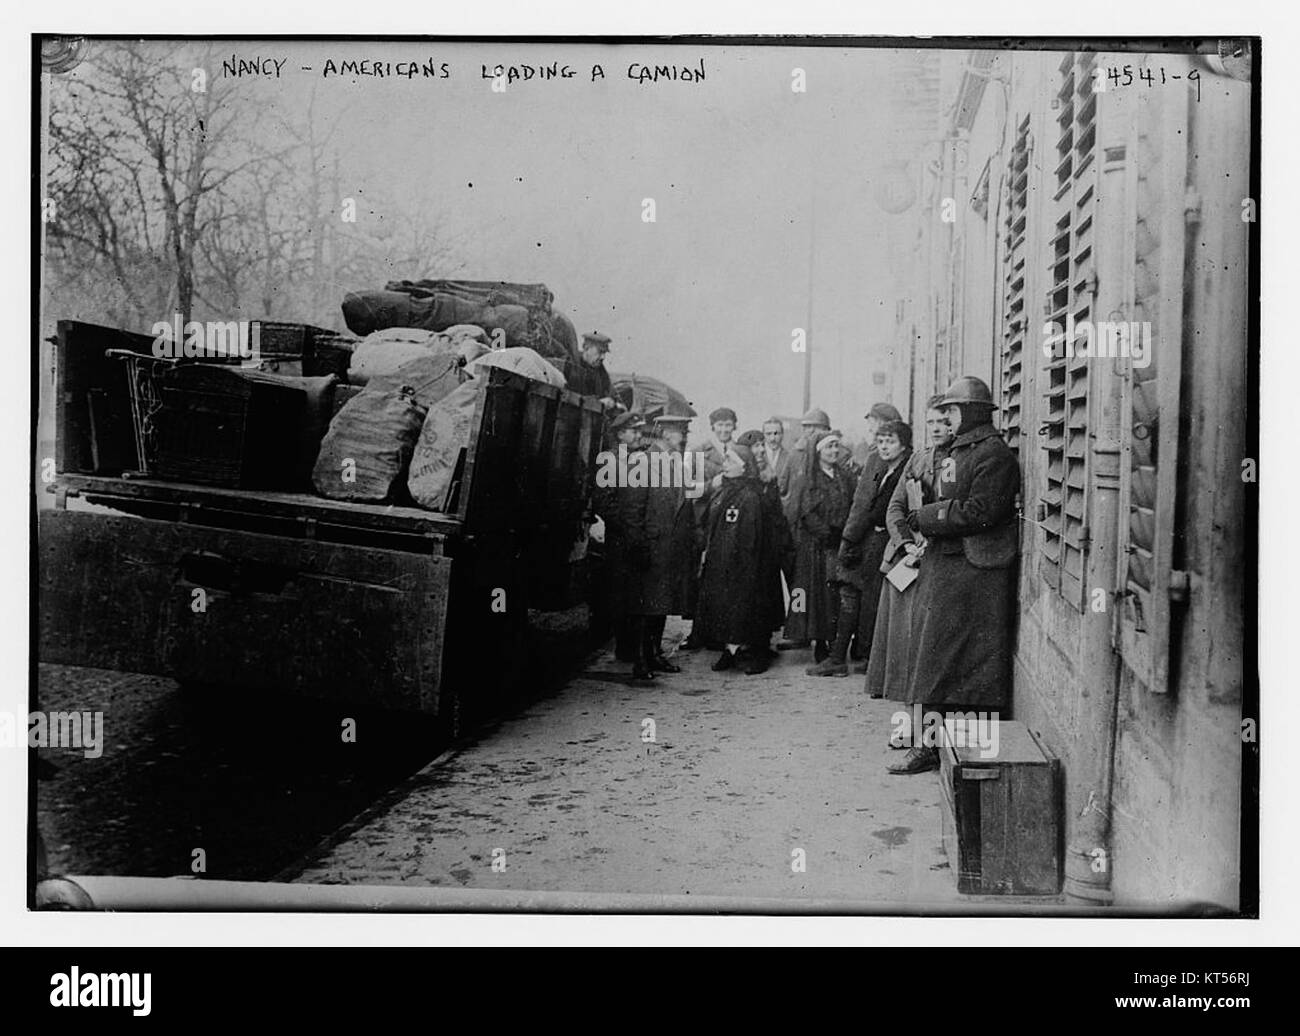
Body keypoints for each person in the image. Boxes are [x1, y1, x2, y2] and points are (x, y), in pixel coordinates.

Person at [889, 376, 1021, 775]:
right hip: (948, 565)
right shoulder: (957, 451)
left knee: (965, 664)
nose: (947, 416)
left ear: (972, 413)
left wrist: (926, 517)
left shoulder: (993, 455)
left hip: (976, 571)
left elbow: (980, 512)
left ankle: (956, 751)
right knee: (935, 659)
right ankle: (932, 747)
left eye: (953, 410)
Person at [865, 397, 956, 705]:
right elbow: (895, 507)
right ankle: (902, 692)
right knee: (900, 629)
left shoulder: (956, 461)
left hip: (937, 555)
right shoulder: (918, 459)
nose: (936, 428)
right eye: (930, 422)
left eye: (943, 421)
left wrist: (927, 542)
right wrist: (906, 543)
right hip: (907, 555)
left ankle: (920, 700)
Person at [808, 419, 913, 677]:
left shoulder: (905, 470)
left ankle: (866, 657)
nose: (885, 447)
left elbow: (880, 509)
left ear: (903, 445)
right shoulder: (883, 467)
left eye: (891, 441)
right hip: (870, 540)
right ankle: (838, 657)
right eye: (881, 441)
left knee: (873, 600)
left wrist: (853, 535)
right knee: (852, 592)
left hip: (889, 543)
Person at [695, 444, 784, 675]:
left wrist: (744, 567)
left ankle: (754, 654)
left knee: (747, 609)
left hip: (744, 567)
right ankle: (731, 649)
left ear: (744, 467)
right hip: (722, 562)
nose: (724, 463)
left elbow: (752, 540)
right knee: (726, 609)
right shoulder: (726, 490)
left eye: (729, 460)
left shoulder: (751, 496)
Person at [783, 430, 857, 663]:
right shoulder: (807, 479)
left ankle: (835, 640)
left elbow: (853, 505)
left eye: (836, 446)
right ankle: (819, 641)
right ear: (818, 452)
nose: (834, 451)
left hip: (839, 544)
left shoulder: (845, 476)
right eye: (829, 447)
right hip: (815, 546)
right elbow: (805, 512)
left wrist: (846, 533)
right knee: (815, 595)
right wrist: (828, 533)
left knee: (835, 595)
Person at [595, 410, 657, 679]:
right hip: (619, 539)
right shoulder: (610, 460)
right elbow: (604, 502)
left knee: (633, 591)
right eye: (633, 431)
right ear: (620, 434)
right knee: (620, 593)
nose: (638, 435)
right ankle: (624, 647)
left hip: (631, 536)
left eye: (640, 430)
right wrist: (627, 527)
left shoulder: (633, 459)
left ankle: (632, 646)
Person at [680, 406, 739, 650]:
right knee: (700, 577)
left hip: (730, 522)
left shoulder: (738, 452)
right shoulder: (697, 451)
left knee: (725, 576)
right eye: (720, 425)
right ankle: (698, 632)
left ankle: (719, 631)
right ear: (712, 426)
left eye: (729, 425)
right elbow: (686, 489)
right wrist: (711, 485)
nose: (724, 430)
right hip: (702, 522)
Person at [737, 429, 795, 655]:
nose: (761, 450)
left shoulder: (768, 478)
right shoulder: (742, 478)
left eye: (762, 445)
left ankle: (761, 643)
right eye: (755, 446)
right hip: (750, 547)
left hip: (769, 547)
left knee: (767, 595)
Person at [565, 331, 615, 405]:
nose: (603, 357)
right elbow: (568, 397)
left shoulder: (601, 370)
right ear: (586, 348)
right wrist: (597, 403)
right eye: (600, 352)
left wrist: (612, 402)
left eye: (604, 353)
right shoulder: (572, 364)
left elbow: (610, 391)